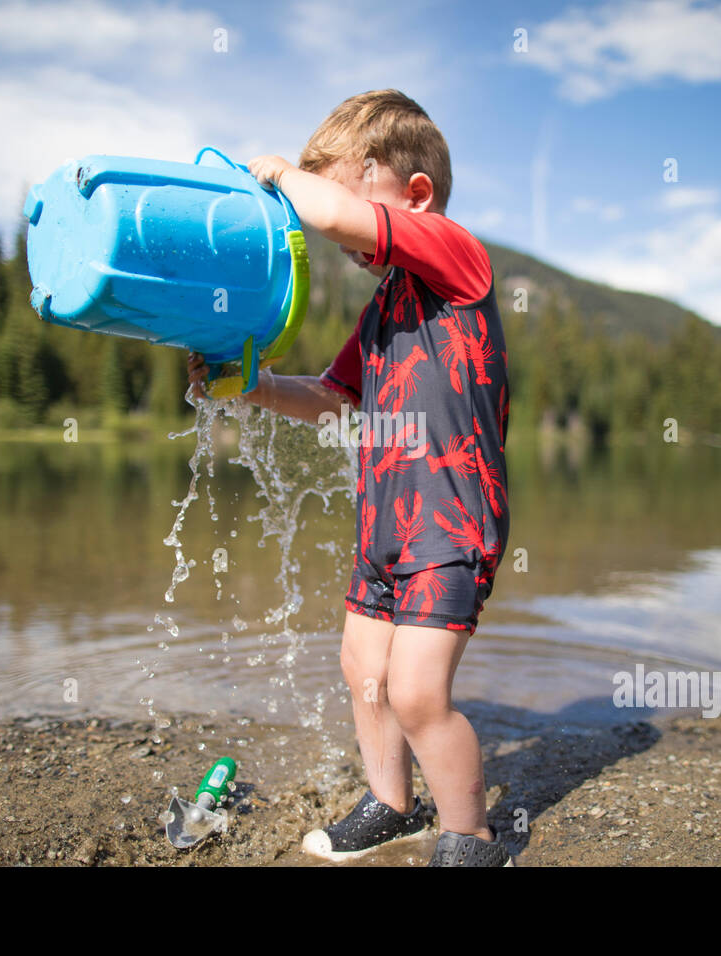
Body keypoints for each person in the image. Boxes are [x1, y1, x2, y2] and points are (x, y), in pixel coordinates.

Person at [187, 89, 511, 867]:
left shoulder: (455, 257)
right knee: (364, 670)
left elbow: (334, 216)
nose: (337, 240)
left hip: (451, 528)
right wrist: (250, 384)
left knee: (418, 693)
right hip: (387, 528)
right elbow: (334, 400)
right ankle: (391, 804)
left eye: (343, 192)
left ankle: (469, 834)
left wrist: (280, 176)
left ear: (416, 195)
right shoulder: (383, 311)